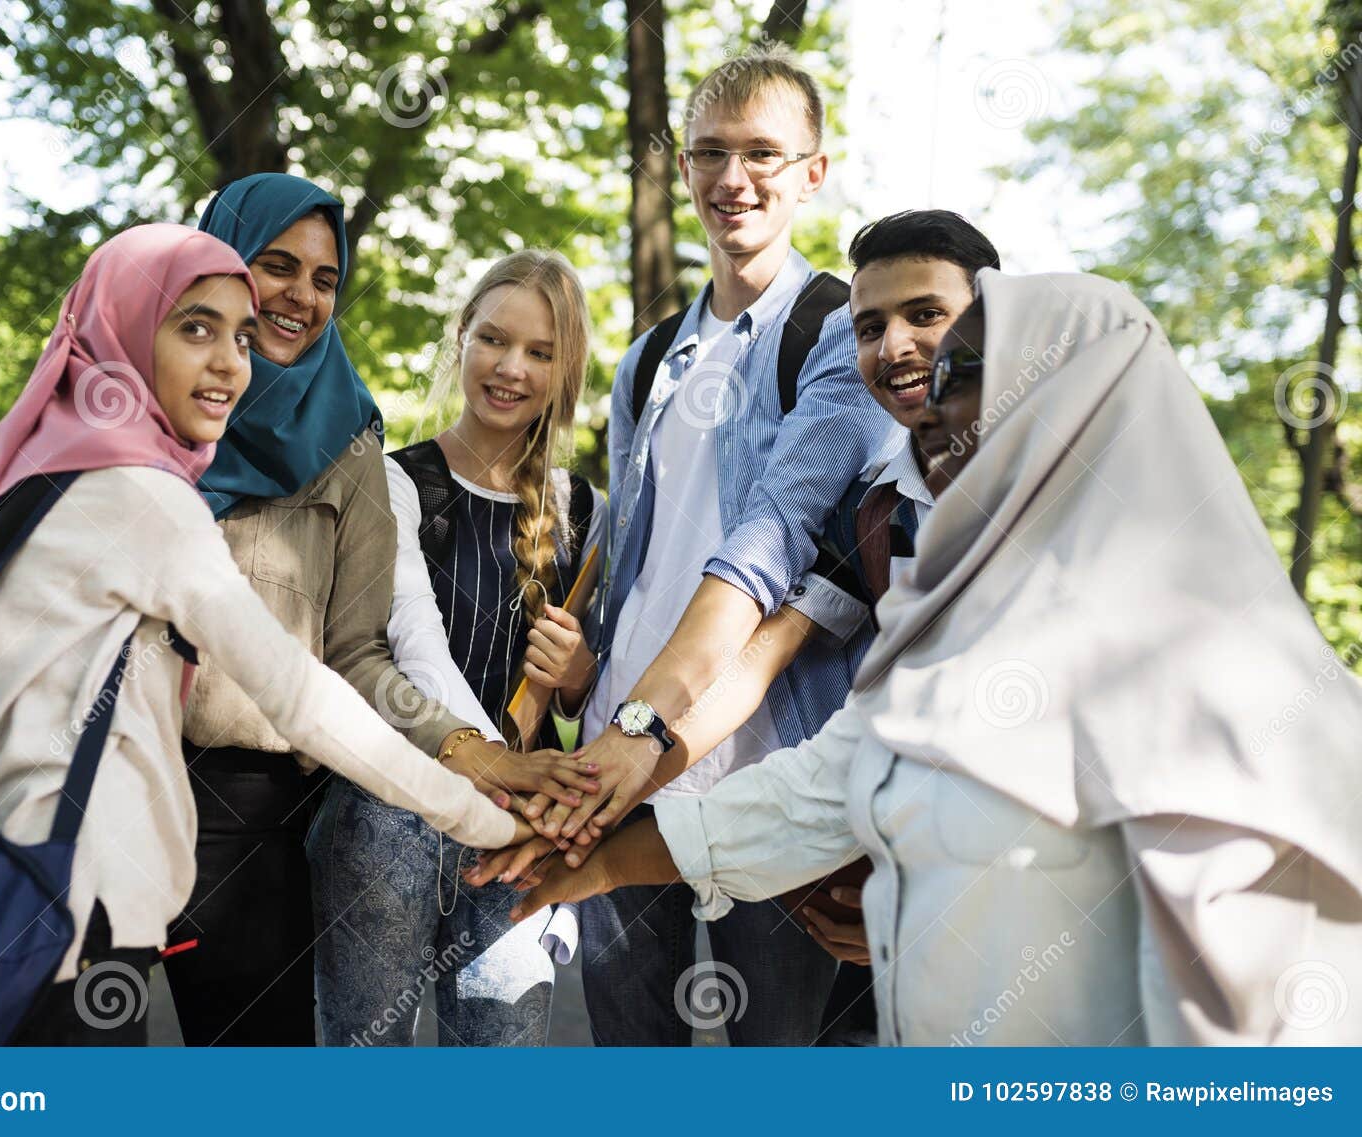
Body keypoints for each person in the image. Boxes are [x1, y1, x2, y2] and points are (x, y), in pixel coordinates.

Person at [504, 268, 1362, 1045]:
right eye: (934, 378)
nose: (932, 409)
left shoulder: (1244, 684)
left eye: (970, 373)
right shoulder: (952, 623)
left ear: (1082, 400)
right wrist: (594, 860)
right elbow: (815, 790)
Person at [0, 223, 522, 1046]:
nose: (229, 364)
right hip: (71, 895)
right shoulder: (148, 498)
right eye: (194, 329)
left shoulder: (40, 464)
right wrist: (490, 820)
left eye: (240, 338)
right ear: (127, 329)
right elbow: (303, 698)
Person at [526, 42, 891, 1047]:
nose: (735, 177)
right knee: (629, 1053)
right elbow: (631, 559)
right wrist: (589, 684)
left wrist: (645, 724)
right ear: (683, 168)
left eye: (763, 153)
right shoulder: (647, 358)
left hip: (766, 768)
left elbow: (780, 540)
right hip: (617, 762)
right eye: (711, 153)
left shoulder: (840, 331)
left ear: (812, 173)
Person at [162, 175, 560, 1046]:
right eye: (277, 265)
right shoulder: (141, 402)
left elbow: (360, 652)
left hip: (252, 809)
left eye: (325, 278)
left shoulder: (348, 441)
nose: (301, 295)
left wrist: (472, 756)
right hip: (103, 781)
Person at [308, 250, 605, 1046]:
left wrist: (579, 674)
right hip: (390, 816)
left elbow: (593, 701)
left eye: (540, 351)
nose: (510, 367)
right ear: (462, 338)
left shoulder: (586, 511)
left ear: (565, 370)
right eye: (493, 339)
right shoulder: (396, 481)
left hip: (517, 839)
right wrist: (501, 771)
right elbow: (407, 649)